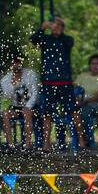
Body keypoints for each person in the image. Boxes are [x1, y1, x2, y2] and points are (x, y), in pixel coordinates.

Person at [31, 16, 75, 149]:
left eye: (59, 25)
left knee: (72, 111)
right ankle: (46, 143)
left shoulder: (67, 40)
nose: (56, 28)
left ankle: (78, 141)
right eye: (54, 25)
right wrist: (42, 29)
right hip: (48, 83)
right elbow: (33, 40)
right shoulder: (45, 39)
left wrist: (58, 30)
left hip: (65, 83)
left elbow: (67, 43)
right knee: (47, 114)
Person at [0, 54, 39, 149]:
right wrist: (13, 84)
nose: (16, 65)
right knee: (5, 114)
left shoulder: (30, 74)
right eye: (14, 63)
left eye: (18, 62)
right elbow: (7, 95)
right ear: (10, 64)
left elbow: (35, 93)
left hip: (32, 106)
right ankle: (10, 145)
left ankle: (27, 145)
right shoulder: (6, 79)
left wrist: (28, 106)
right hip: (16, 106)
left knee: (27, 113)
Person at [73, 53, 98, 149]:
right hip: (81, 102)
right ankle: (81, 137)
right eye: (93, 63)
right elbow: (76, 89)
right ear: (89, 65)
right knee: (74, 111)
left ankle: (86, 139)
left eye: (97, 64)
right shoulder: (82, 76)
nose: (95, 66)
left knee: (84, 112)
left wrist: (88, 100)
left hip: (96, 104)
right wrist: (79, 99)